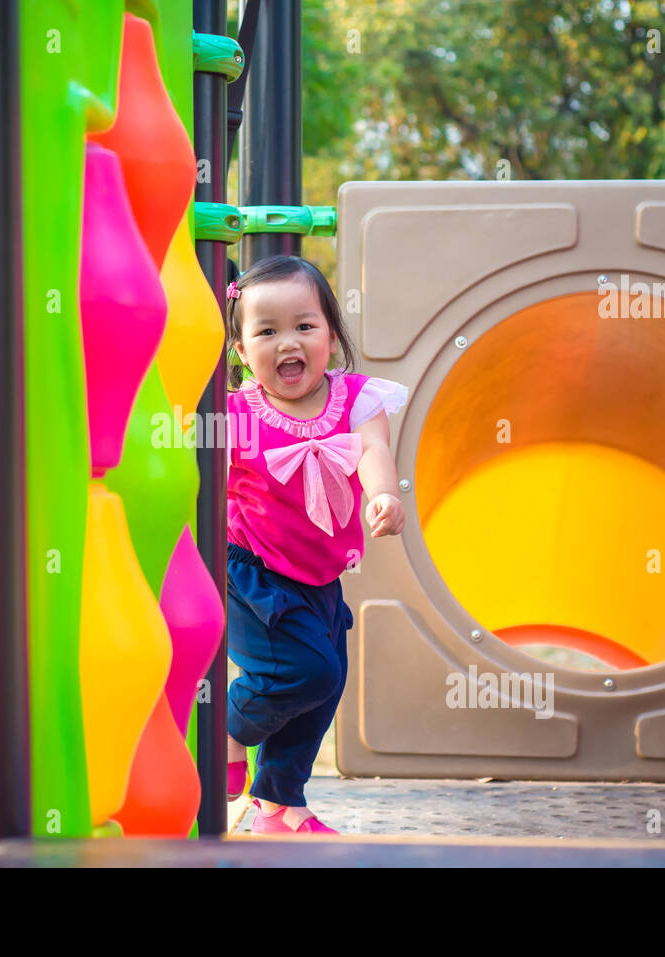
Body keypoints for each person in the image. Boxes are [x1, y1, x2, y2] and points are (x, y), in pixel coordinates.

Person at [224, 254, 408, 835]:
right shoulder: (233, 415)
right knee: (307, 674)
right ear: (239, 350)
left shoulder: (356, 399)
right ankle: (220, 735)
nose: (288, 343)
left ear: (331, 332)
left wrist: (383, 494)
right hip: (253, 572)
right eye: (266, 331)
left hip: (321, 578)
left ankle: (280, 805)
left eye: (304, 326)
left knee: (324, 690)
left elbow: (374, 450)